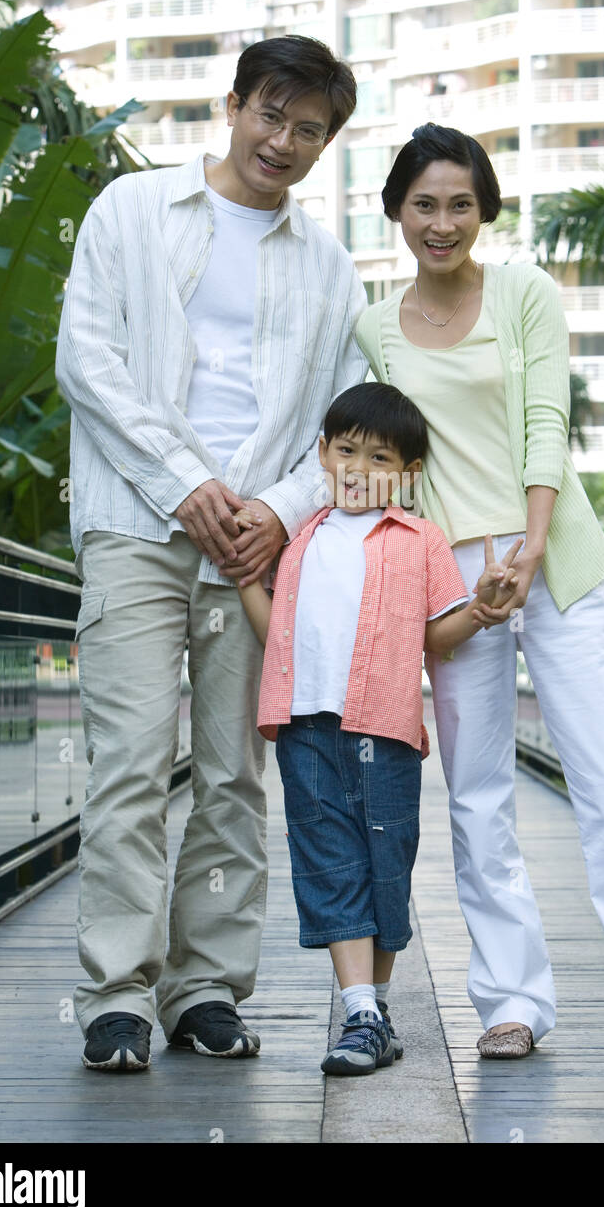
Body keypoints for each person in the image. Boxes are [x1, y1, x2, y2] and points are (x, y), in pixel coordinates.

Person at [354, 124, 604, 1067]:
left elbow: (545, 421)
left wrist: (529, 544)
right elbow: (388, 461)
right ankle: (511, 1001)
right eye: (424, 204)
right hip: (452, 582)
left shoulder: (522, 292)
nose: (442, 223)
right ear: (396, 209)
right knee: (476, 801)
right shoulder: (375, 325)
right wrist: (461, 582)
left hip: (551, 564)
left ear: (486, 209)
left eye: (460, 204)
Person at [55, 35, 368, 1071]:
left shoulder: (327, 265)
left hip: (252, 551)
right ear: (231, 104)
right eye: (270, 114)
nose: (284, 140)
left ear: (326, 145)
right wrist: (182, 485)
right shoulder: (132, 212)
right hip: (138, 526)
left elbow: (341, 423)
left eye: (309, 129)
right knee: (133, 767)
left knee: (235, 776)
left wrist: (277, 511)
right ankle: (117, 994)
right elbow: (86, 361)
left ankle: (205, 989)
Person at [235, 381, 522, 1075]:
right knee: (328, 862)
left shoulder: (419, 541)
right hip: (304, 729)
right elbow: (276, 634)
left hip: (385, 732)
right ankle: (359, 1010)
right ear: (323, 457)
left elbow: (435, 636)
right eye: (347, 450)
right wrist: (241, 577)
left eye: (382, 458)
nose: (361, 468)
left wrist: (481, 609)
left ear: (409, 475)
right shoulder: (300, 542)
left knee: (383, 865)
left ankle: (377, 1009)